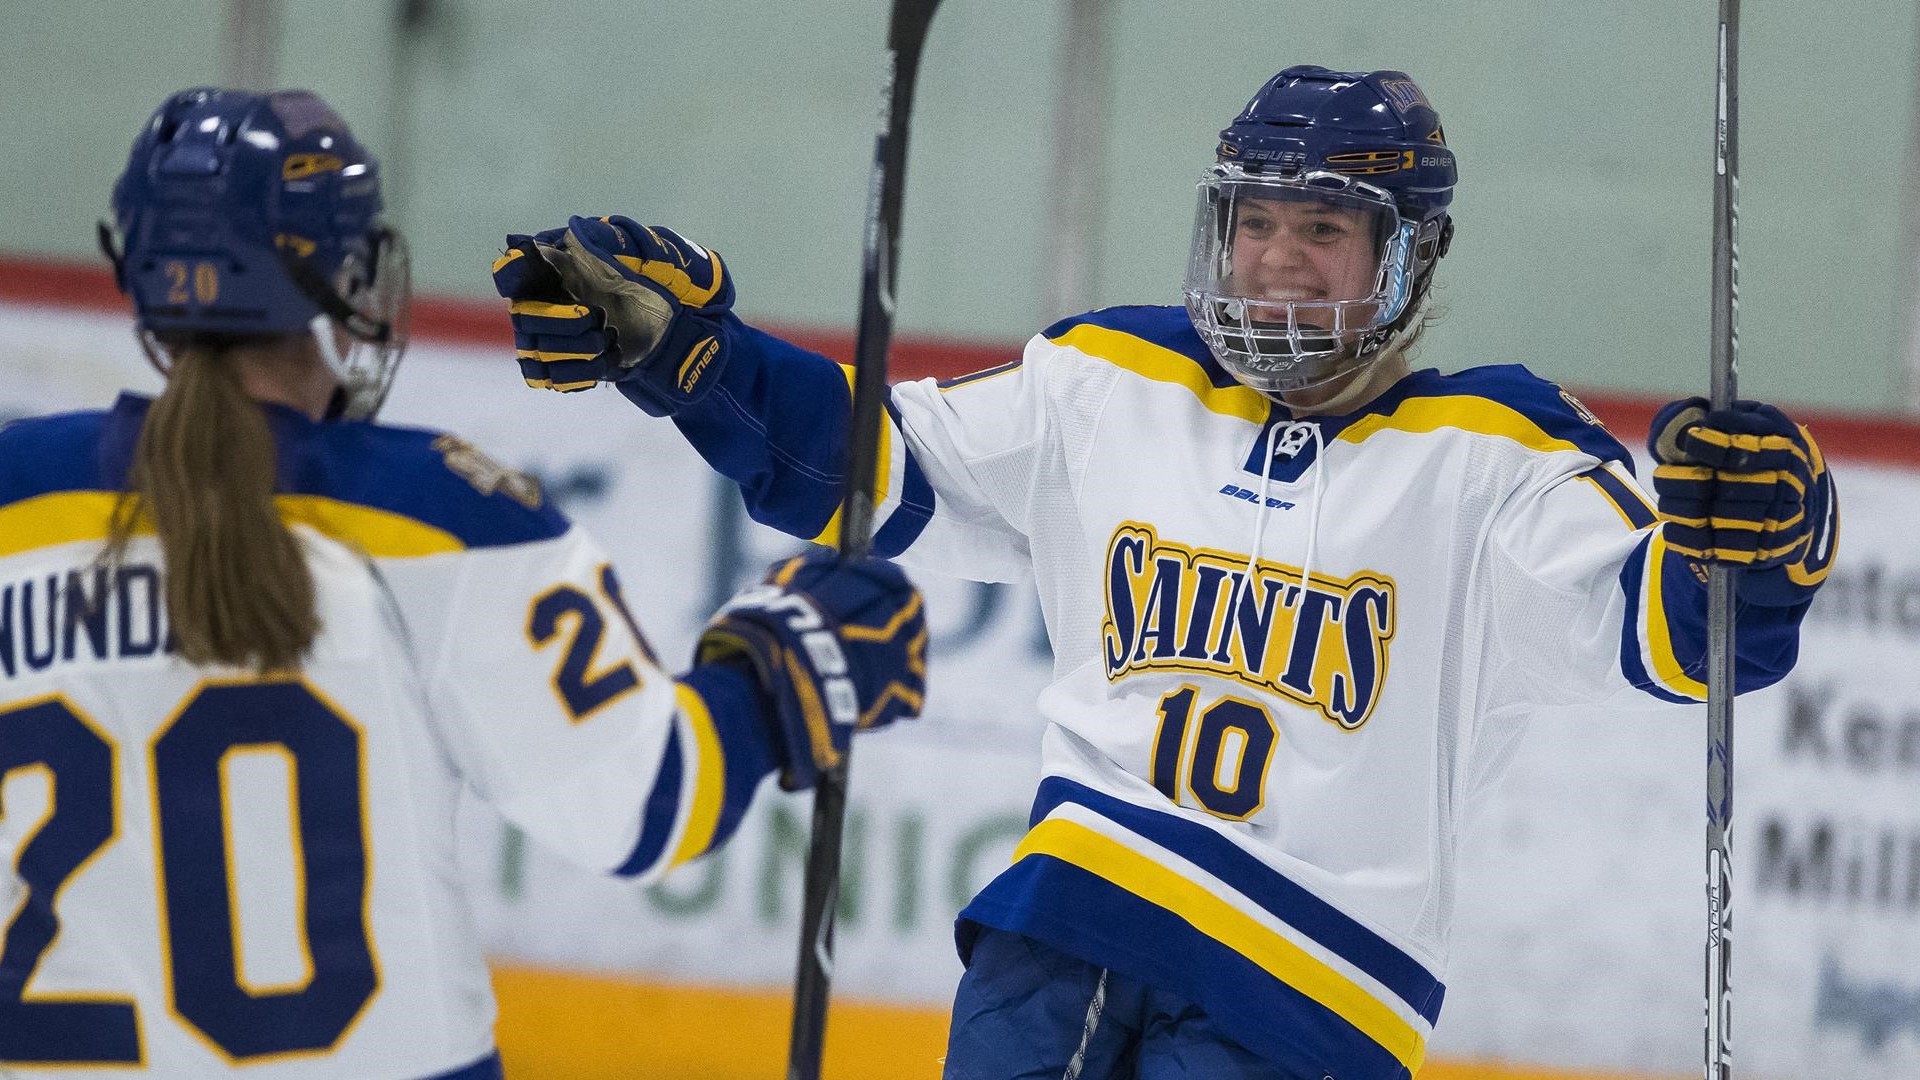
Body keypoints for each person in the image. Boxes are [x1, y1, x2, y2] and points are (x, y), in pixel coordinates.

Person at [493, 65, 1835, 1080]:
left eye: (1324, 229)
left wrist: (1759, 539)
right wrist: (694, 361)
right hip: (1071, 912)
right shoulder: (1111, 377)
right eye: (1255, 222)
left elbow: (1680, 634)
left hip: (1309, 988)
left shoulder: (1493, 449)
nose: (1275, 259)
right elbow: (861, 467)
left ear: (1408, 256)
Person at [0, 88, 926, 1080]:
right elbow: (649, 802)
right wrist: (791, 665)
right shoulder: (435, 513)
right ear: (346, 269)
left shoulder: (16, 498)